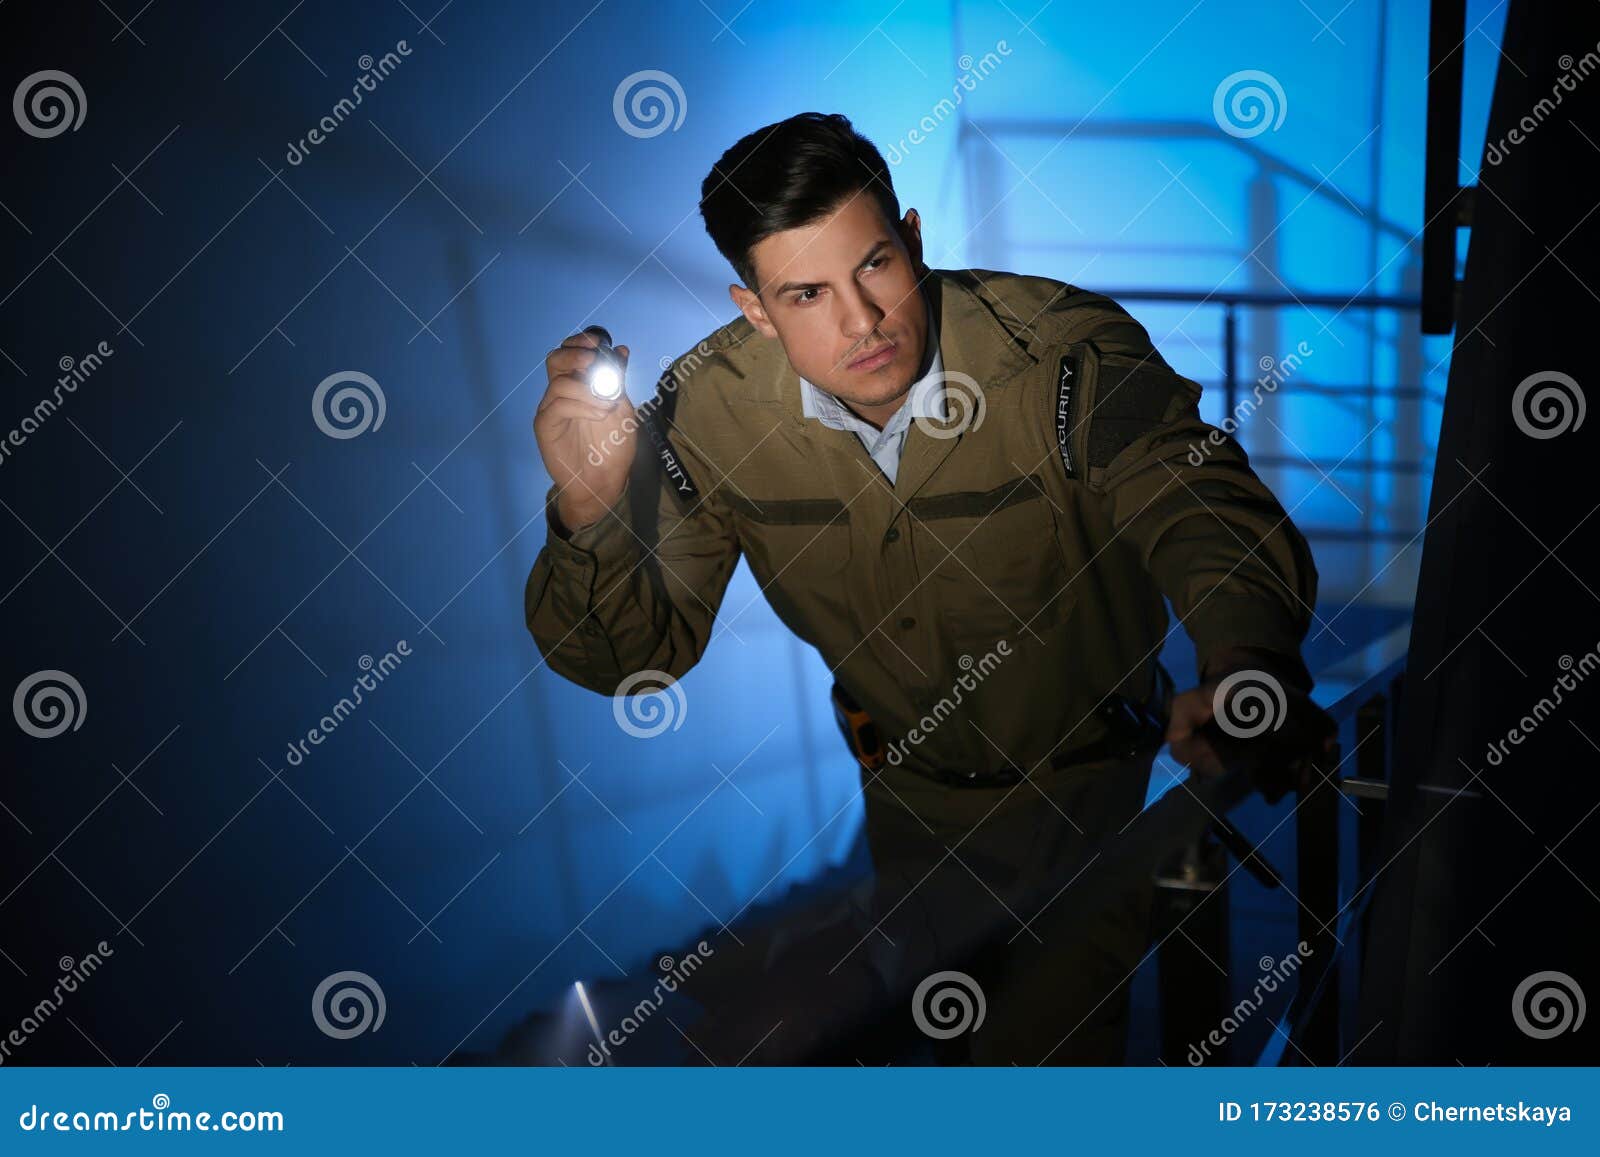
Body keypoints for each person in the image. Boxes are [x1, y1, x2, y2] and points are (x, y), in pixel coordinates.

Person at [525, 112, 1328, 1064]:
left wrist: (1245, 658)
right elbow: (634, 657)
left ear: (912, 235)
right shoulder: (710, 412)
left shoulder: (1059, 352)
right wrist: (587, 513)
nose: (861, 323)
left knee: (1046, 1063)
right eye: (807, 293)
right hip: (910, 814)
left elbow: (1194, 505)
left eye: (874, 265)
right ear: (754, 309)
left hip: (1092, 791)